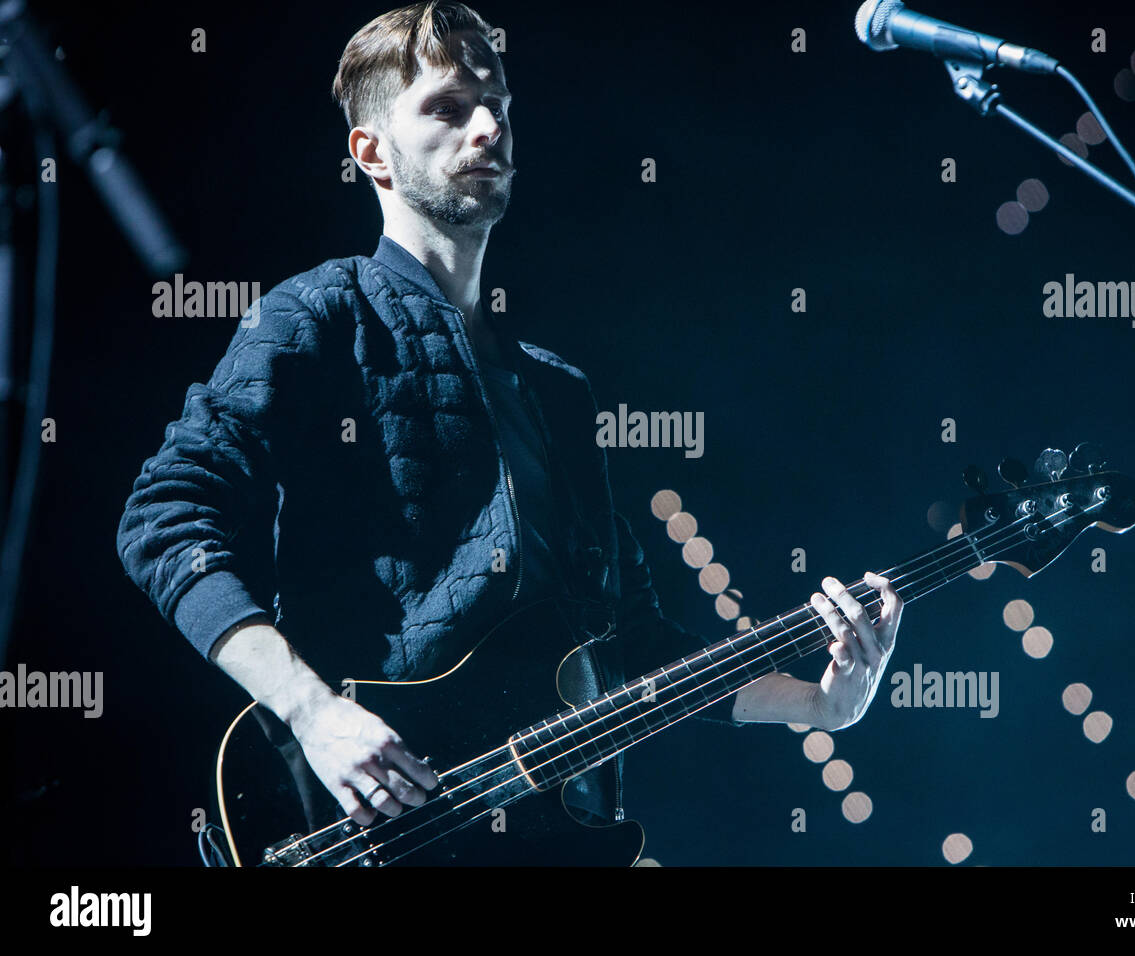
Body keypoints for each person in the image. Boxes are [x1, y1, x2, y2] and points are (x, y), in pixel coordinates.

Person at [116, 1, 901, 838]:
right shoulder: (317, 316)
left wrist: (819, 704)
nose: (488, 127)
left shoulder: (559, 393)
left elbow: (634, 647)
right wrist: (313, 713)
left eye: (499, 105)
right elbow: (163, 518)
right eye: (449, 107)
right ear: (371, 152)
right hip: (368, 825)